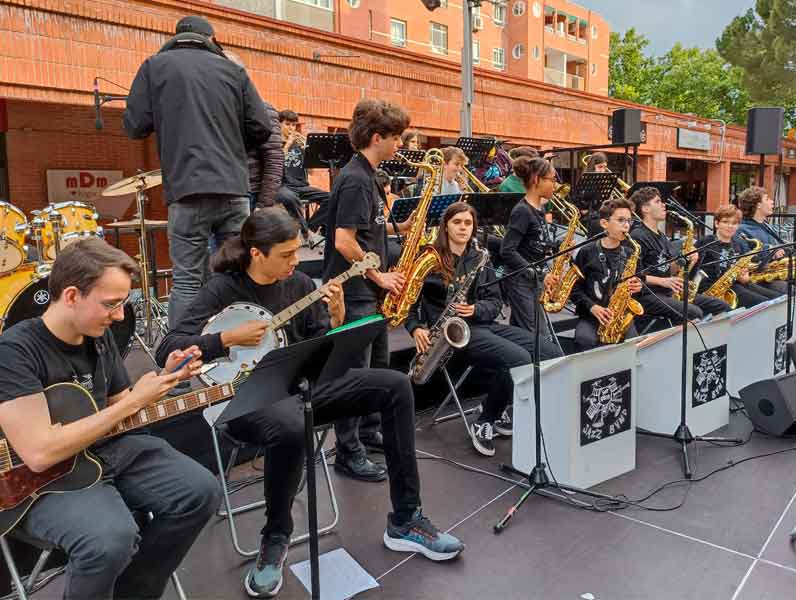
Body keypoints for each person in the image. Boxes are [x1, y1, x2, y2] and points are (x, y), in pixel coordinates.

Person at [156, 208, 464, 598]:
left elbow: (322, 352)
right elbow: (167, 347)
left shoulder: (300, 283)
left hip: (301, 386)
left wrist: (335, 322)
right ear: (256, 253)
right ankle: (276, 536)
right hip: (242, 399)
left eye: (296, 253)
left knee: (395, 386)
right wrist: (225, 340)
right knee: (289, 425)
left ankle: (406, 521)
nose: (295, 262)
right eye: (286, 254)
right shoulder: (221, 290)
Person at [0, 238, 218, 600]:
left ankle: (134, 592)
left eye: (123, 304)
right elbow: (38, 451)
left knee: (200, 491)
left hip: (105, 452)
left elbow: (124, 409)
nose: (119, 315)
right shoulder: (16, 351)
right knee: (109, 540)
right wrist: (130, 404)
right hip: (43, 479)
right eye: (111, 304)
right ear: (71, 296)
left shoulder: (98, 336)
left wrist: (164, 380)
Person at [123, 15, 271, 329]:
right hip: (233, 189)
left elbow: (135, 125)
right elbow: (261, 127)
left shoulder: (155, 66)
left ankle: (182, 367)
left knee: (188, 281)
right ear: (212, 39)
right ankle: (244, 356)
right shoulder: (233, 69)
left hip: (187, 191)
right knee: (239, 273)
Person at [406, 203, 557, 456]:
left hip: (482, 324)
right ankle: (485, 420)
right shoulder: (429, 259)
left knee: (549, 351)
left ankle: (502, 407)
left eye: (468, 223)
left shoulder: (480, 257)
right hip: (450, 337)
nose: (464, 227)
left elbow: (495, 301)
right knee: (517, 359)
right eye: (457, 222)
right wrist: (416, 328)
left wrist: (476, 309)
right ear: (445, 226)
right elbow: (409, 303)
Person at [324, 99, 414, 482]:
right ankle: (348, 451)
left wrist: (407, 228)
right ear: (378, 137)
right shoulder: (357, 179)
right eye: (397, 138)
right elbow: (344, 240)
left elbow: (366, 231)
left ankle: (367, 431)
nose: (401, 146)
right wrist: (380, 278)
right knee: (355, 376)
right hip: (355, 291)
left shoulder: (369, 176)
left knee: (377, 367)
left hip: (368, 294)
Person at [628, 187, 730, 323]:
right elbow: (635, 276)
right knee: (695, 313)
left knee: (722, 306)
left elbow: (669, 269)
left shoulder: (662, 236)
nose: (663, 205)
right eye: (658, 202)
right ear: (645, 208)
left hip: (667, 291)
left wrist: (686, 260)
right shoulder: (638, 235)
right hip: (647, 295)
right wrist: (664, 281)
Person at [500, 157, 565, 351]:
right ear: (537, 180)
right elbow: (507, 250)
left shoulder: (540, 208)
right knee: (539, 337)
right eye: (551, 180)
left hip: (532, 280)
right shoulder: (522, 211)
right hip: (520, 281)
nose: (555, 184)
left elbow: (533, 242)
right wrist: (541, 274)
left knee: (523, 331)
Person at [570, 197, 643, 351]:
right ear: (604, 223)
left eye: (629, 221)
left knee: (634, 345)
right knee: (584, 340)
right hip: (592, 316)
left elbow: (639, 285)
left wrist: (639, 286)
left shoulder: (631, 252)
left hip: (621, 316)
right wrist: (593, 307)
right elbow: (574, 290)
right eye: (621, 220)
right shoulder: (587, 252)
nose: (626, 225)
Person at [736, 186, 796, 297]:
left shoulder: (767, 226)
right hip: (763, 278)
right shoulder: (742, 229)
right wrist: (770, 251)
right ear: (758, 205)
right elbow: (743, 257)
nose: (772, 202)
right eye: (767, 199)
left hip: (782, 272)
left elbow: (783, 250)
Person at [696, 205, 783, 308]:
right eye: (725, 222)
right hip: (713, 289)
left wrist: (745, 277)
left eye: (734, 223)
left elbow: (745, 268)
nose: (730, 226)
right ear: (716, 223)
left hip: (736, 284)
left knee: (779, 298)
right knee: (763, 303)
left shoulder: (740, 243)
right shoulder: (706, 242)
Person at [278, 110, 330, 233]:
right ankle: (304, 231)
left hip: (302, 186)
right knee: (290, 198)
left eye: (293, 125)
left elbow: (311, 171)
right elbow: (276, 165)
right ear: (279, 124)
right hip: (283, 186)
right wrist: (288, 144)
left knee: (332, 198)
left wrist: (308, 151)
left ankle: (309, 228)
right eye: (287, 124)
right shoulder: (276, 144)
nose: (291, 128)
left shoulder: (299, 144)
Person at [247, 102, 283, 212]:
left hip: (252, 191)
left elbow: (275, 159)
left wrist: (263, 205)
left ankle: (308, 227)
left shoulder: (263, 110)